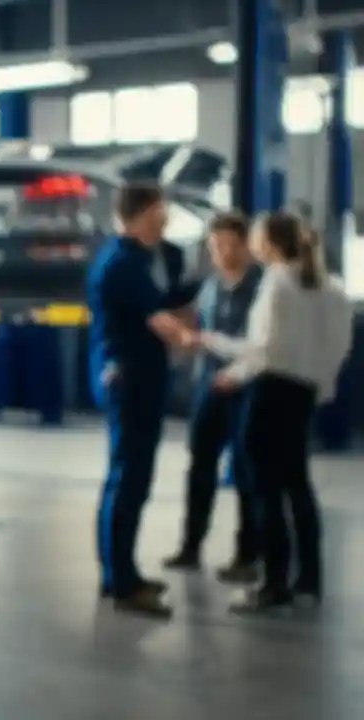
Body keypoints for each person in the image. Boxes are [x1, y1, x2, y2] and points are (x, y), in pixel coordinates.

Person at [190, 212, 353, 613]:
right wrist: (321, 387)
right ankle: (308, 580)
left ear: (268, 243)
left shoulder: (276, 282)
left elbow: (263, 348)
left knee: (265, 491)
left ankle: (273, 583)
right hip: (302, 395)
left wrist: (213, 346)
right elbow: (336, 348)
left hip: (269, 394)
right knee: (298, 486)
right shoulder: (330, 287)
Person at [88, 183, 195, 618]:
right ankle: (123, 583)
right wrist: (195, 338)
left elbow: (165, 302)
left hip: (135, 378)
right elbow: (161, 320)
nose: (165, 219)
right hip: (131, 380)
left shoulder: (136, 259)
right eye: (160, 211)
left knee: (126, 476)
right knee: (129, 477)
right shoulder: (125, 264)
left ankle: (118, 573)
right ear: (142, 214)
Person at [163, 213, 263, 583]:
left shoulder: (261, 288)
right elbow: (200, 325)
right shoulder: (209, 287)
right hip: (209, 389)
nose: (219, 252)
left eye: (226, 244)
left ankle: (248, 553)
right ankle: (190, 545)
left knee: (246, 470)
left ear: (245, 245)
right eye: (214, 246)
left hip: (246, 389)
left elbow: (260, 344)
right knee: (200, 465)